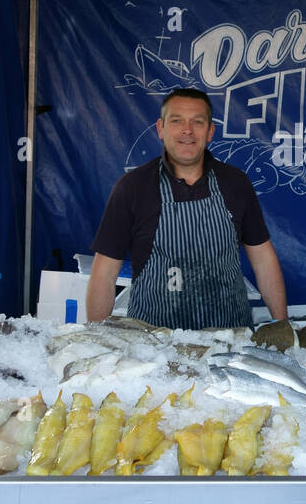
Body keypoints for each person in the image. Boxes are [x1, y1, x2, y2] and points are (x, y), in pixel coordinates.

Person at [86, 88, 289, 328]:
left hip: (228, 339)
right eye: (176, 121)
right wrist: (96, 338)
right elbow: (105, 273)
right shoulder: (133, 187)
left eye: (198, 122)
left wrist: (281, 325)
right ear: (161, 129)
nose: (187, 130)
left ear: (210, 131)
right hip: (155, 343)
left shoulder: (236, 182)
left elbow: (263, 258)